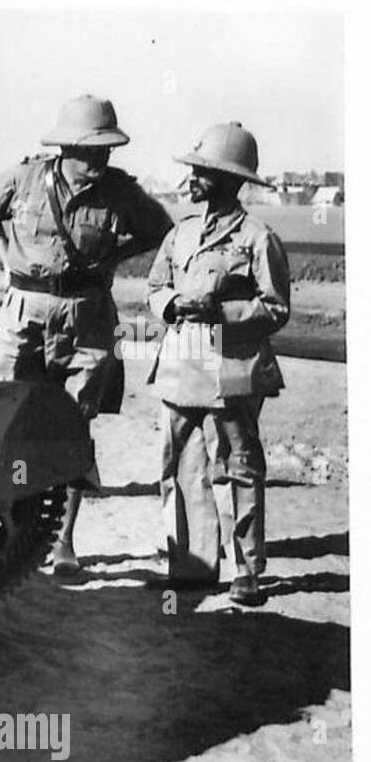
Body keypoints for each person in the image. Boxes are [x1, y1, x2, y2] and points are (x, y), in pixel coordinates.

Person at [0, 95, 173, 573]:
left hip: (87, 318)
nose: (101, 160)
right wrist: (8, 262)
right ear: (66, 148)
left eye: (107, 150)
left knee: (71, 427)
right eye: (92, 151)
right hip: (24, 313)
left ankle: (63, 541)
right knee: (8, 420)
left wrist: (114, 258)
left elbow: (159, 229)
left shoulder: (121, 193)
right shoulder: (22, 180)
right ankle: (9, 528)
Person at [146, 122, 289, 606]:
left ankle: (247, 570)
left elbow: (276, 307)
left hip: (232, 365)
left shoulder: (257, 237)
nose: (193, 179)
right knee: (181, 463)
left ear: (230, 180)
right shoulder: (181, 233)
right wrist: (169, 306)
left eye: (203, 171)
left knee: (239, 467)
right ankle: (191, 566)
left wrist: (222, 313)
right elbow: (154, 288)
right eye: (193, 169)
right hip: (183, 360)